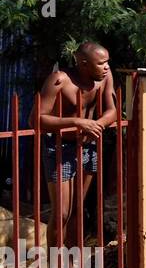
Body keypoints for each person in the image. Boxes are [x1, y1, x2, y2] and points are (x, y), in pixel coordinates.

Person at [36, 42, 117, 256]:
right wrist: (77, 122)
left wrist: (96, 125)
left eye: (107, 62)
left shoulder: (105, 79)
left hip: (88, 147)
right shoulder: (60, 80)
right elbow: (36, 119)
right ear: (83, 63)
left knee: (77, 212)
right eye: (101, 63)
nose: (107, 67)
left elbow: (112, 111)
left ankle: (71, 267)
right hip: (59, 147)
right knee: (62, 212)